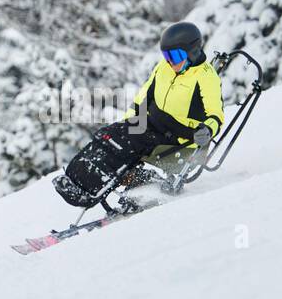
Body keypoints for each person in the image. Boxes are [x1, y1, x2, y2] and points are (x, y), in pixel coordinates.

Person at [53, 21, 225, 207]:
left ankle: (90, 191)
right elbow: (143, 97)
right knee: (108, 135)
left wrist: (207, 129)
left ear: (192, 51)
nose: (170, 61)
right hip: (153, 124)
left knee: (125, 144)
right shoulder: (163, 67)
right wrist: (128, 123)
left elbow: (216, 114)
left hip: (179, 137)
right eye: (166, 55)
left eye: (174, 56)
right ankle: (75, 177)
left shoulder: (206, 77)